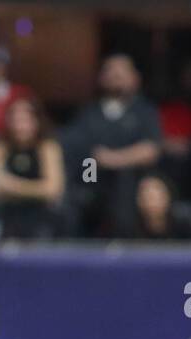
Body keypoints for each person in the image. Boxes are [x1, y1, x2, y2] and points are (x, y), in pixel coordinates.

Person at [68, 54, 162, 237]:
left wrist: (113, 159)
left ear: (135, 78)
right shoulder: (88, 113)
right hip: (92, 177)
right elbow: (82, 149)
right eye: (111, 72)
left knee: (124, 181)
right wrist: (97, 160)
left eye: (122, 72)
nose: (116, 76)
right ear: (101, 78)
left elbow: (150, 150)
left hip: (134, 183)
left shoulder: (145, 112)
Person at [0, 97, 65, 239]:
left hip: (42, 217)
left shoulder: (48, 147)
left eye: (25, 120)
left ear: (36, 122)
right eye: (15, 120)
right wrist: (37, 188)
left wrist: (10, 185)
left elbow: (53, 190)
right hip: (4, 216)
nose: (19, 126)